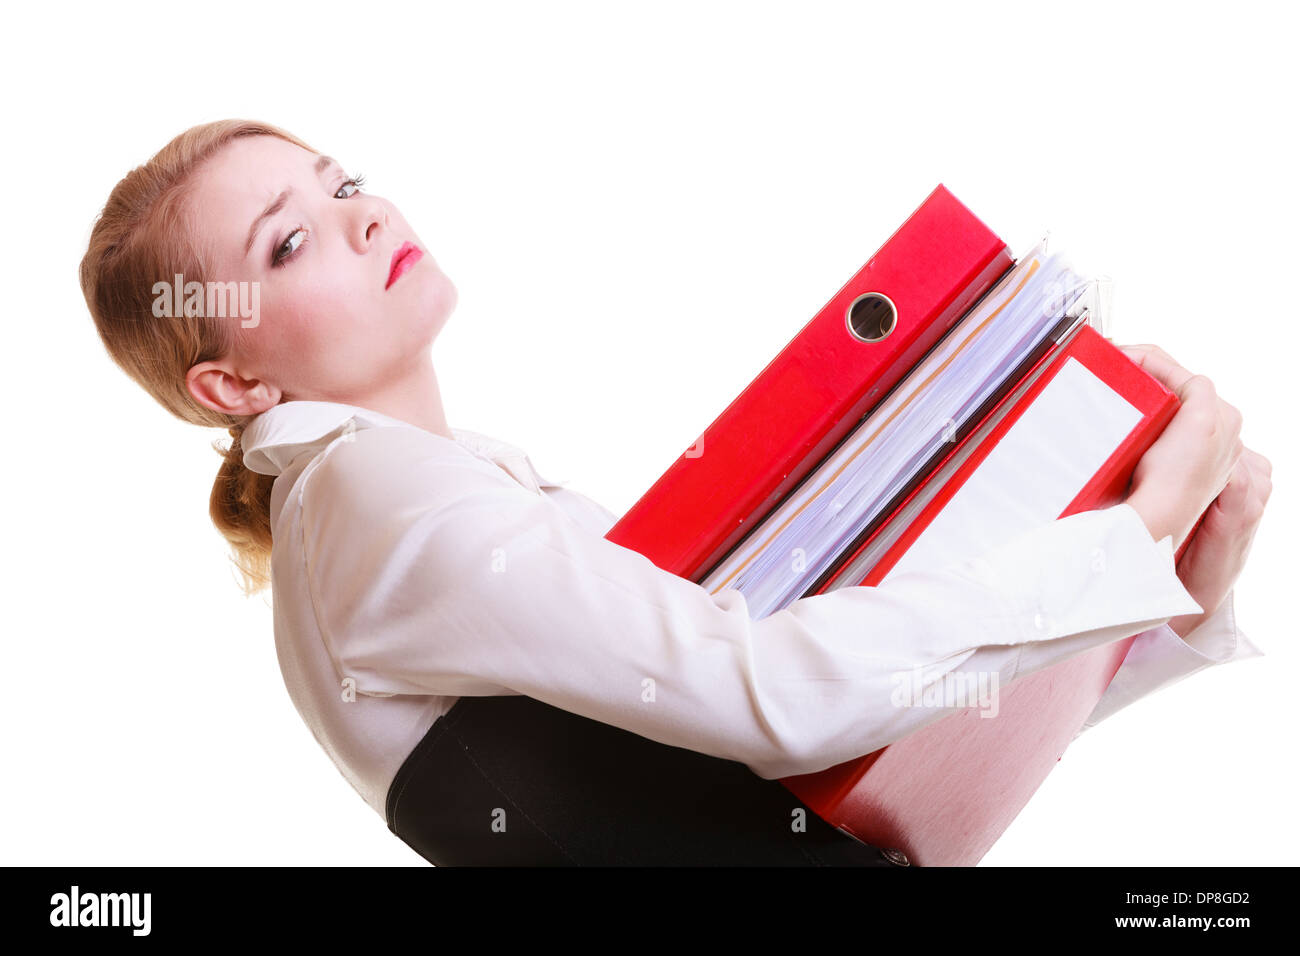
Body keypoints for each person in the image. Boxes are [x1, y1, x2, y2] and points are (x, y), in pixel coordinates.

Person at [79, 119, 1271, 866]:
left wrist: (1151, 604)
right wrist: (1130, 535)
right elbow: (774, 694)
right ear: (232, 381)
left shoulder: (424, 489)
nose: (362, 217)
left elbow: (837, 781)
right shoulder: (367, 495)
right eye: (288, 242)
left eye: (346, 184)